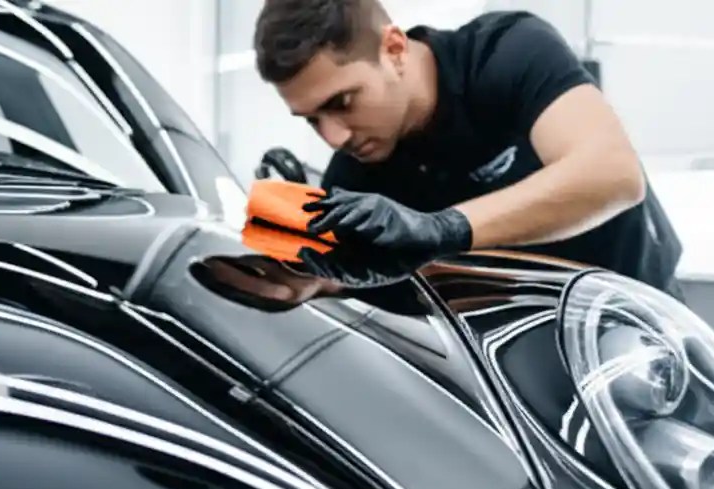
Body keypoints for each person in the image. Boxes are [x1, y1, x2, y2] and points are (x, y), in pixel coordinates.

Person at [252, 0, 684, 297]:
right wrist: (315, 283)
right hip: (518, 355)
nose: (334, 137)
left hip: (636, 319)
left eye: (342, 103)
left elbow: (613, 175)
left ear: (394, 49)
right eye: (311, 119)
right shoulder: (356, 174)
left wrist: (443, 229)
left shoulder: (506, 52)